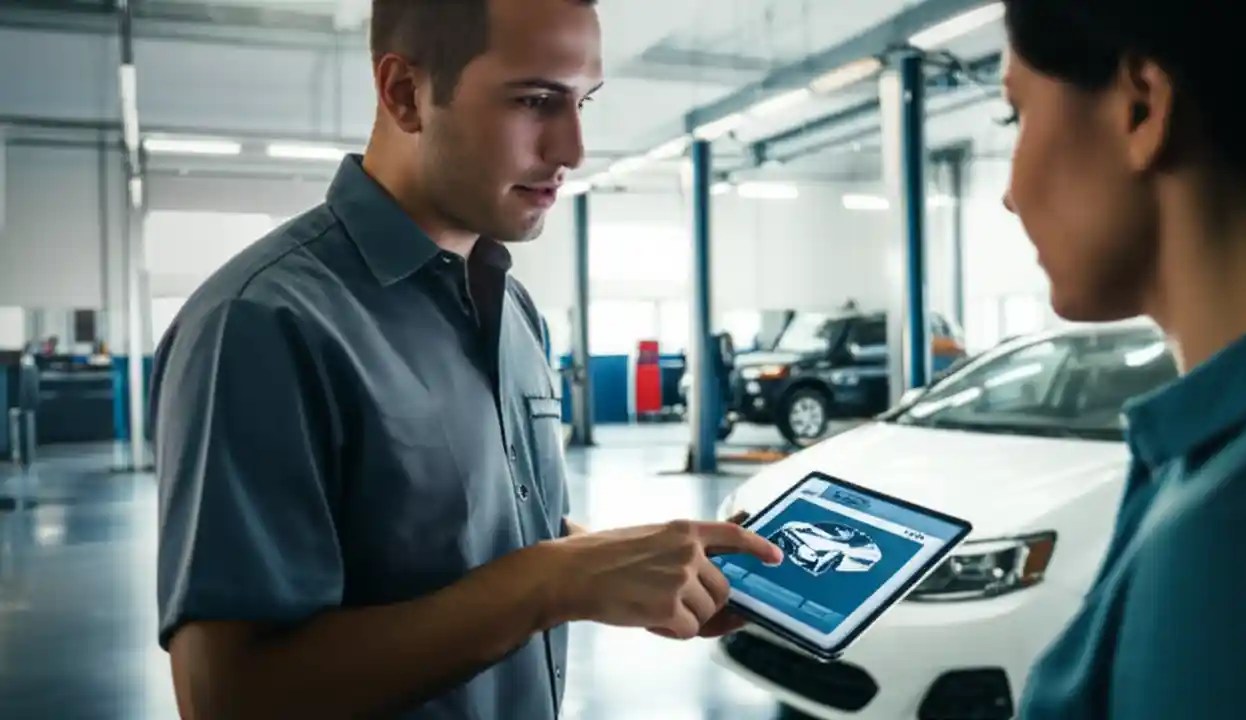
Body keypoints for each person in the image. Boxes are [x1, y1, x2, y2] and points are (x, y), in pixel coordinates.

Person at [150, 1, 782, 719]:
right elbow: (228, 699)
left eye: (582, 103)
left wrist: (623, 563)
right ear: (404, 93)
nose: (573, 149)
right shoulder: (260, 324)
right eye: (534, 100)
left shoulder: (512, 309)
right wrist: (552, 582)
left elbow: (493, 536)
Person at [998, 1, 1246, 717]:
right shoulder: (1211, 455)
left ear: (1141, 108)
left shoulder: (1237, 536)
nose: (1008, 194)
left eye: (1016, 115)